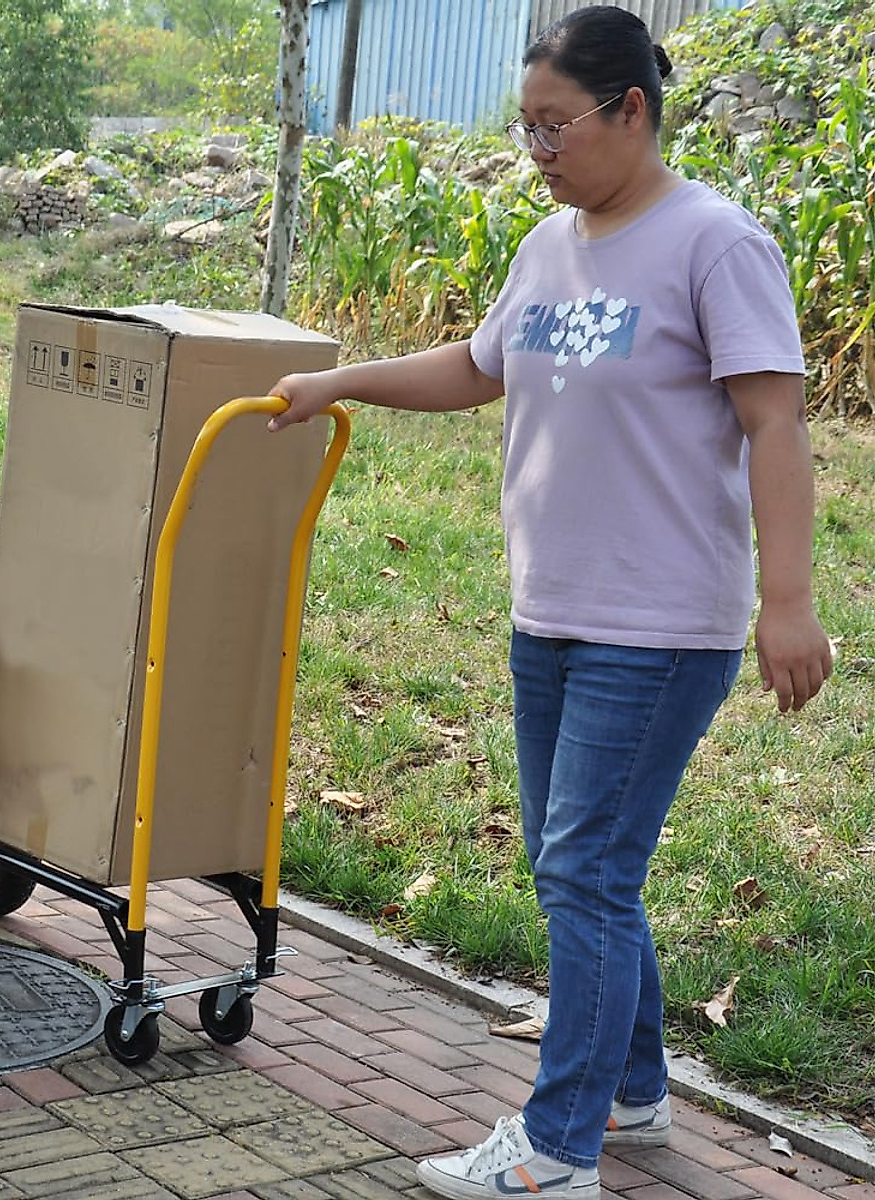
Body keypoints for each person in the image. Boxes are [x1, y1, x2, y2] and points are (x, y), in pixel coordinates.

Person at [266, 7, 833, 1199]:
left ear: (631, 110)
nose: (539, 149)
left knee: (584, 867)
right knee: (576, 862)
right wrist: (337, 381)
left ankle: (557, 1146)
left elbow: (776, 424)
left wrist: (790, 602)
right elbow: (478, 369)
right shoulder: (548, 247)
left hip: (661, 623)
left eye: (556, 124)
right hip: (552, 613)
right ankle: (631, 1091)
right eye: (525, 128)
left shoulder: (713, 244)